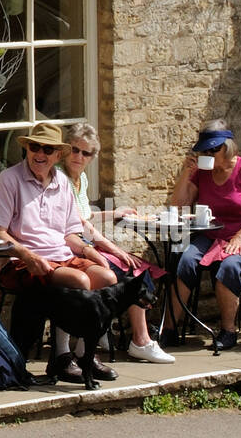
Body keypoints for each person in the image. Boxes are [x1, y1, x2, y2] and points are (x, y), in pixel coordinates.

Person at [0, 119, 120, 383]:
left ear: (59, 155)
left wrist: (91, 251)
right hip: (20, 262)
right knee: (79, 281)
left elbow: (70, 234)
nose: (40, 154)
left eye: (48, 150)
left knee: (108, 278)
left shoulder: (62, 183)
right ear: (27, 149)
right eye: (35, 147)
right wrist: (29, 256)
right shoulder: (9, 180)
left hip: (61, 257)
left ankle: (84, 354)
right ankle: (61, 355)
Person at [60, 121, 173, 365]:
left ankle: (135, 336)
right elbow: (78, 225)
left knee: (136, 268)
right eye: (74, 149)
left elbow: (85, 217)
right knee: (129, 272)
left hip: (84, 241)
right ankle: (139, 340)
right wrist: (113, 248)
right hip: (70, 246)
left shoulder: (80, 180)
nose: (79, 156)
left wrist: (114, 214)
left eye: (85, 152)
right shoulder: (60, 179)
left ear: (92, 157)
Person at [167, 120, 241, 350]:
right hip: (210, 235)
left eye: (213, 149)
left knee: (230, 267)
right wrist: (187, 173)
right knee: (184, 261)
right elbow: (179, 207)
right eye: (204, 150)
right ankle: (170, 329)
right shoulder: (202, 173)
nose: (208, 154)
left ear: (227, 147)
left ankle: (228, 332)